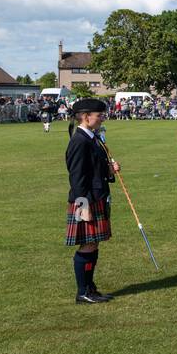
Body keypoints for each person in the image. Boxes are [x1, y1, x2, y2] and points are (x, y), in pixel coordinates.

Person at [65, 98, 118, 304]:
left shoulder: (92, 137)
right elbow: (77, 177)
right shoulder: (79, 141)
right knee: (88, 245)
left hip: (97, 196)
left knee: (93, 244)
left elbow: (94, 168)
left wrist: (109, 169)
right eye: (99, 115)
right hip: (86, 200)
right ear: (86, 117)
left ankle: (90, 288)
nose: (103, 118)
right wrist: (83, 205)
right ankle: (83, 292)